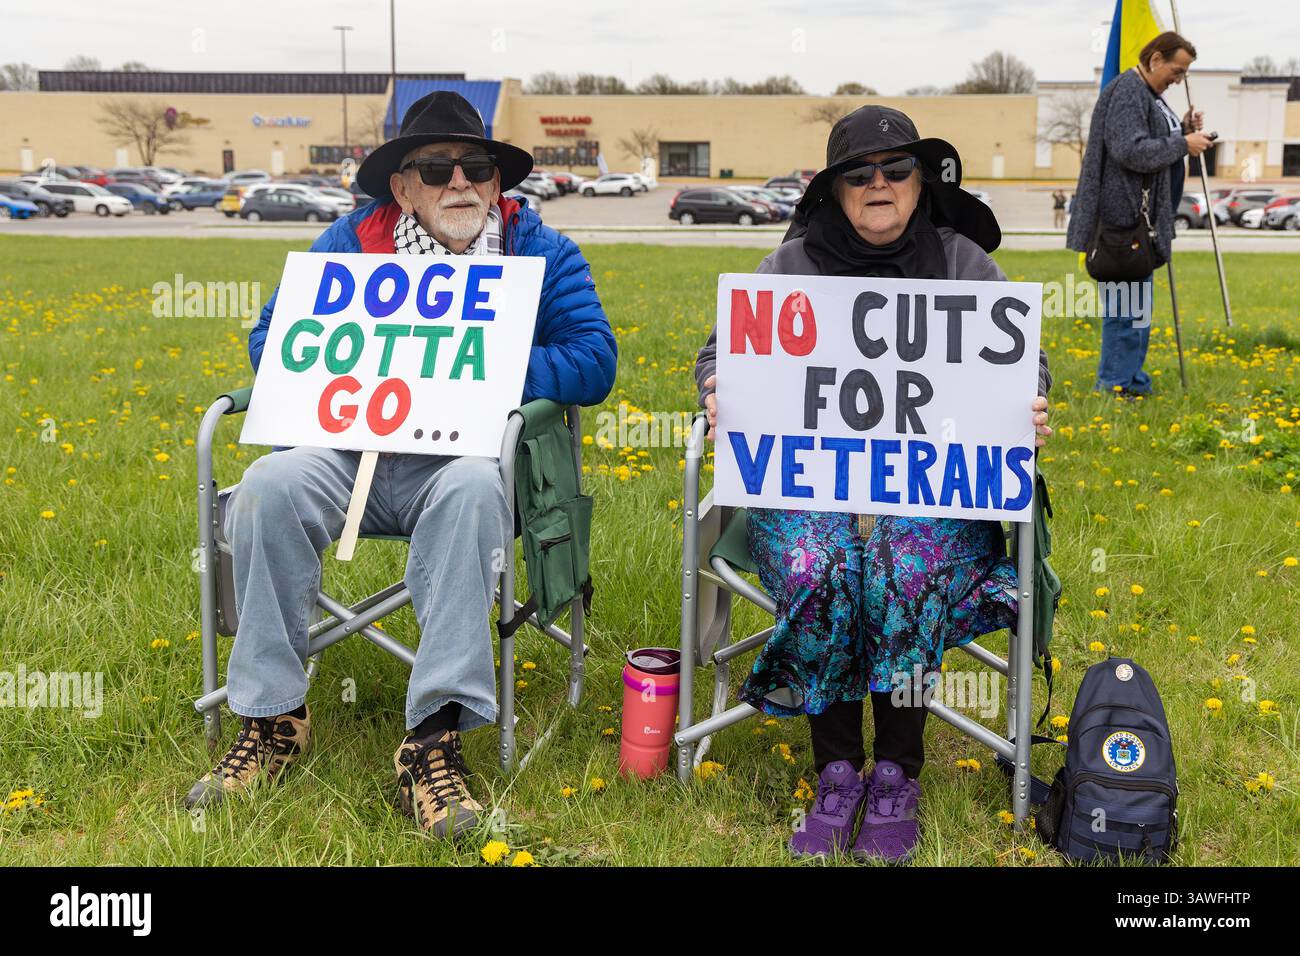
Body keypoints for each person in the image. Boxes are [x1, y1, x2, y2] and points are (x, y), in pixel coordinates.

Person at [185, 92, 617, 839]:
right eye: (436, 168)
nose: (459, 182)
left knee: (475, 489)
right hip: (348, 453)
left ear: (496, 182)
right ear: (403, 188)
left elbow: (594, 360)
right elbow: (271, 342)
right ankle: (272, 716)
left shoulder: (539, 252)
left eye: (476, 167)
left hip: (459, 461)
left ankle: (433, 737)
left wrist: (481, 365)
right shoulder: (351, 242)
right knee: (263, 486)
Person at [693, 105, 1052, 863]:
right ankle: (834, 770)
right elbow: (719, 352)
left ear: (920, 182)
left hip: (937, 492)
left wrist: (1029, 405)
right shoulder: (789, 267)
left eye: (896, 170)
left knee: (902, 565)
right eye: (859, 174)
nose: (879, 184)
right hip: (807, 486)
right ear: (835, 190)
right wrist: (719, 386)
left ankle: (895, 770)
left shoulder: (964, 262)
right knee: (821, 566)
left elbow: (1024, 364)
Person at [1067, 31, 1212, 397]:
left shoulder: (1148, 94)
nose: (1178, 80)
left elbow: (1148, 140)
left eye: (1183, 75)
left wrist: (1182, 129)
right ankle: (1114, 387)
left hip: (1137, 226)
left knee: (1138, 313)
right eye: (1177, 71)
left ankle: (1130, 380)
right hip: (1121, 225)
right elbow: (1129, 150)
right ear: (1155, 59)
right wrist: (1183, 144)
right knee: (1125, 313)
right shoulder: (1129, 91)